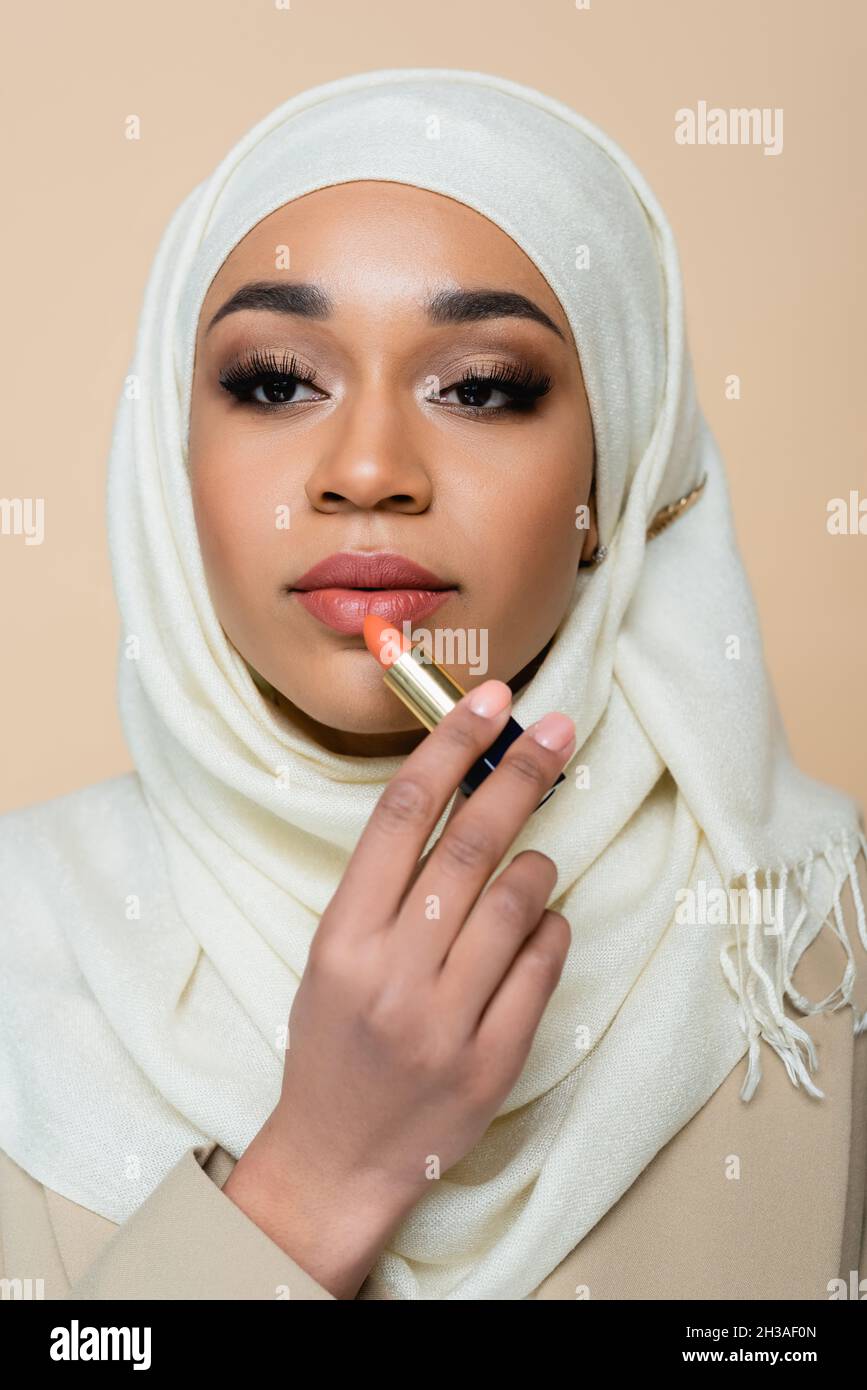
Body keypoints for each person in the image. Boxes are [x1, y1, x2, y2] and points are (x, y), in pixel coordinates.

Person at [1, 67, 865, 1302]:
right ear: (168, 459)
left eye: (480, 388)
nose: (367, 470)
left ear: (609, 486)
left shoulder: (814, 952)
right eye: (274, 381)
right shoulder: (13, 935)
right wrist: (314, 1181)